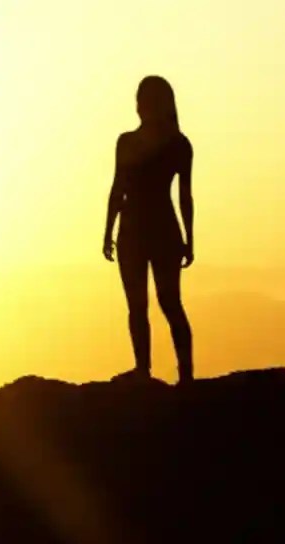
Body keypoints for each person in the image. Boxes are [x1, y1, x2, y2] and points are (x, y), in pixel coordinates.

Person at [102, 75, 195, 383]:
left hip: (160, 230)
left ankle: (185, 375)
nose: (141, 106)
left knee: (169, 302)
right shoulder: (128, 142)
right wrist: (108, 231)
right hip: (133, 232)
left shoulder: (178, 145)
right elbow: (117, 188)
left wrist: (190, 238)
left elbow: (185, 195)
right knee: (138, 305)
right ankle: (144, 369)